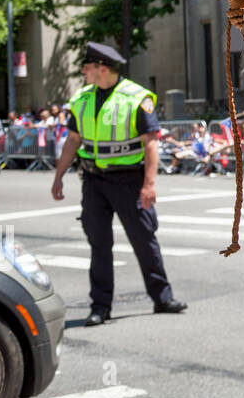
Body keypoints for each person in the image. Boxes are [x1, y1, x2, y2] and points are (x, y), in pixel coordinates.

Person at [49, 42, 186, 325]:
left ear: (101, 68)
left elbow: (151, 144)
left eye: (86, 67)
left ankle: (162, 298)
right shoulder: (81, 99)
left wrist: (149, 185)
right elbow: (73, 140)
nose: (83, 73)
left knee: (144, 240)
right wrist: (58, 175)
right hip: (93, 181)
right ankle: (100, 307)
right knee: (99, 244)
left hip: (129, 181)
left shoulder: (136, 98)